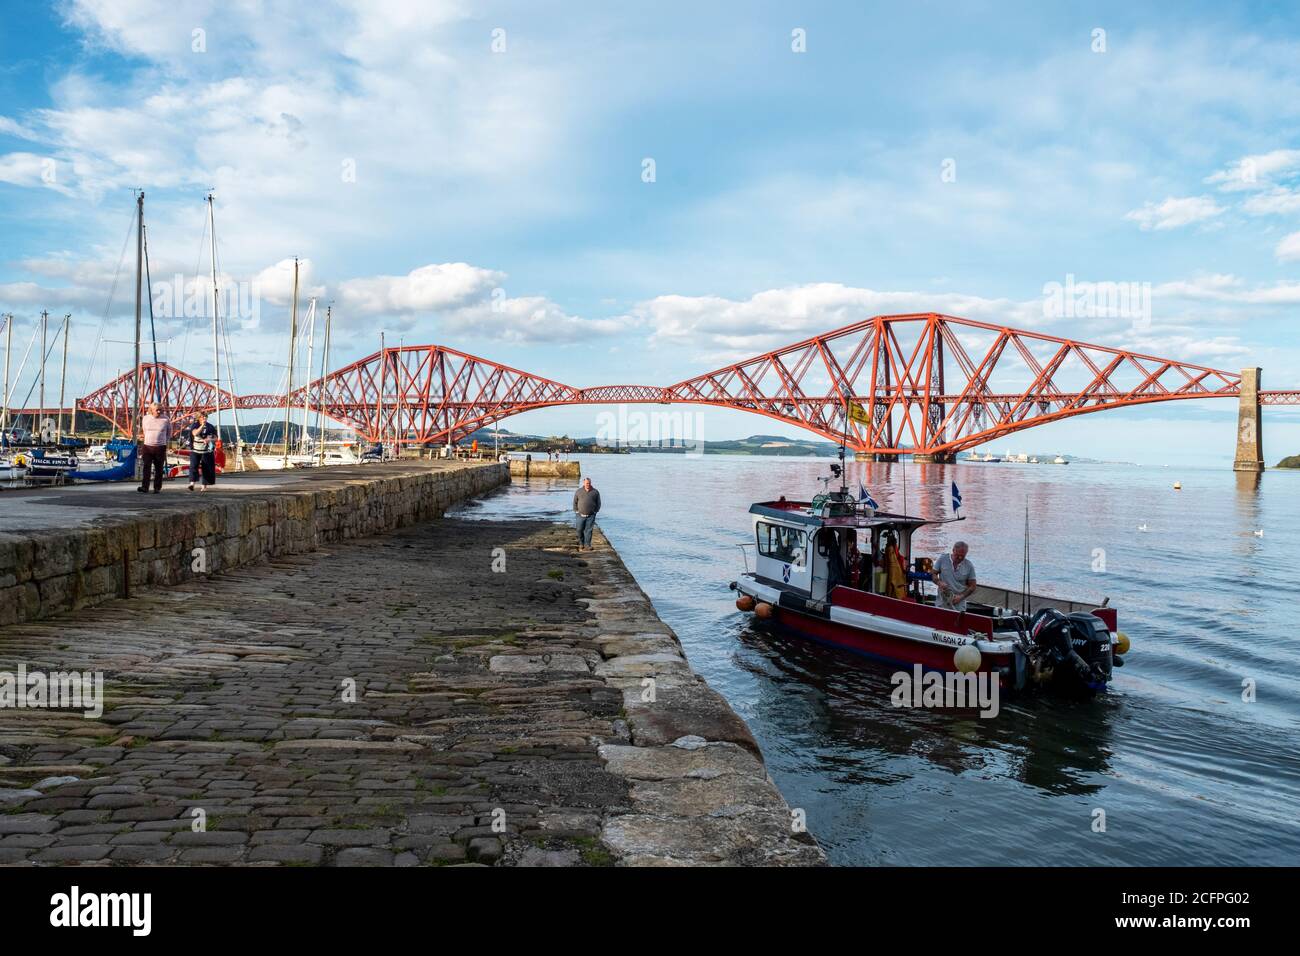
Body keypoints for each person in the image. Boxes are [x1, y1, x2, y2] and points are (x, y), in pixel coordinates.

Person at [137, 402, 171, 494]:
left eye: (161, 409)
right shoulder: (145, 418)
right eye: (157, 410)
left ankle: (157, 488)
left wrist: (164, 442)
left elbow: (169, 433)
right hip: (147, 446)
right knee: (146, 467)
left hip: (160, 447)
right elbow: (144, 431)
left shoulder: (166, 419)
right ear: (151, 410)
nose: (159, 411)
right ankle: (145, 487)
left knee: (159, 468)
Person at [934, 540, 977, 611]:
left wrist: (961, 597)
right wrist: (939, 582)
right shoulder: (942, 559)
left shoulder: (969, 566)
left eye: (962, 556)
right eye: (957, 555)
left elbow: (973, 586)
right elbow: (933, 574)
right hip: (941, 604)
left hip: (959, 606)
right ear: (953, 550)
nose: (960, 558)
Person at [183, 411, 218, 491]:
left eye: (205, 417)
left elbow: (216, 438)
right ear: (199, 418)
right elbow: (195, 433)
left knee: (207, 468)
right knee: (193, 466)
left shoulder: (211, 427)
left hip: (207, 451)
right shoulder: (195, 425)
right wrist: (202, 426)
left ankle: (204, 486)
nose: (204, 418)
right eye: (202, 417)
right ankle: (192, 484)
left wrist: (210, 439)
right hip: (195, 450)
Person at [573, 476, 601, 550]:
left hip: (591, 515)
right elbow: (575, 502)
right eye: (586, 483)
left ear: (590, 483)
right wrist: (576, 511)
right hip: (580, 515)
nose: (587, 484)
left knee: (589, 531)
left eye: (589, 483)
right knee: (579, 529)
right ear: (584, 483)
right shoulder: (579, 491)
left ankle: (587, 545)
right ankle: (581, 543)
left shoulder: (595, 492)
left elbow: (599, 503)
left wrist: (595, 511)